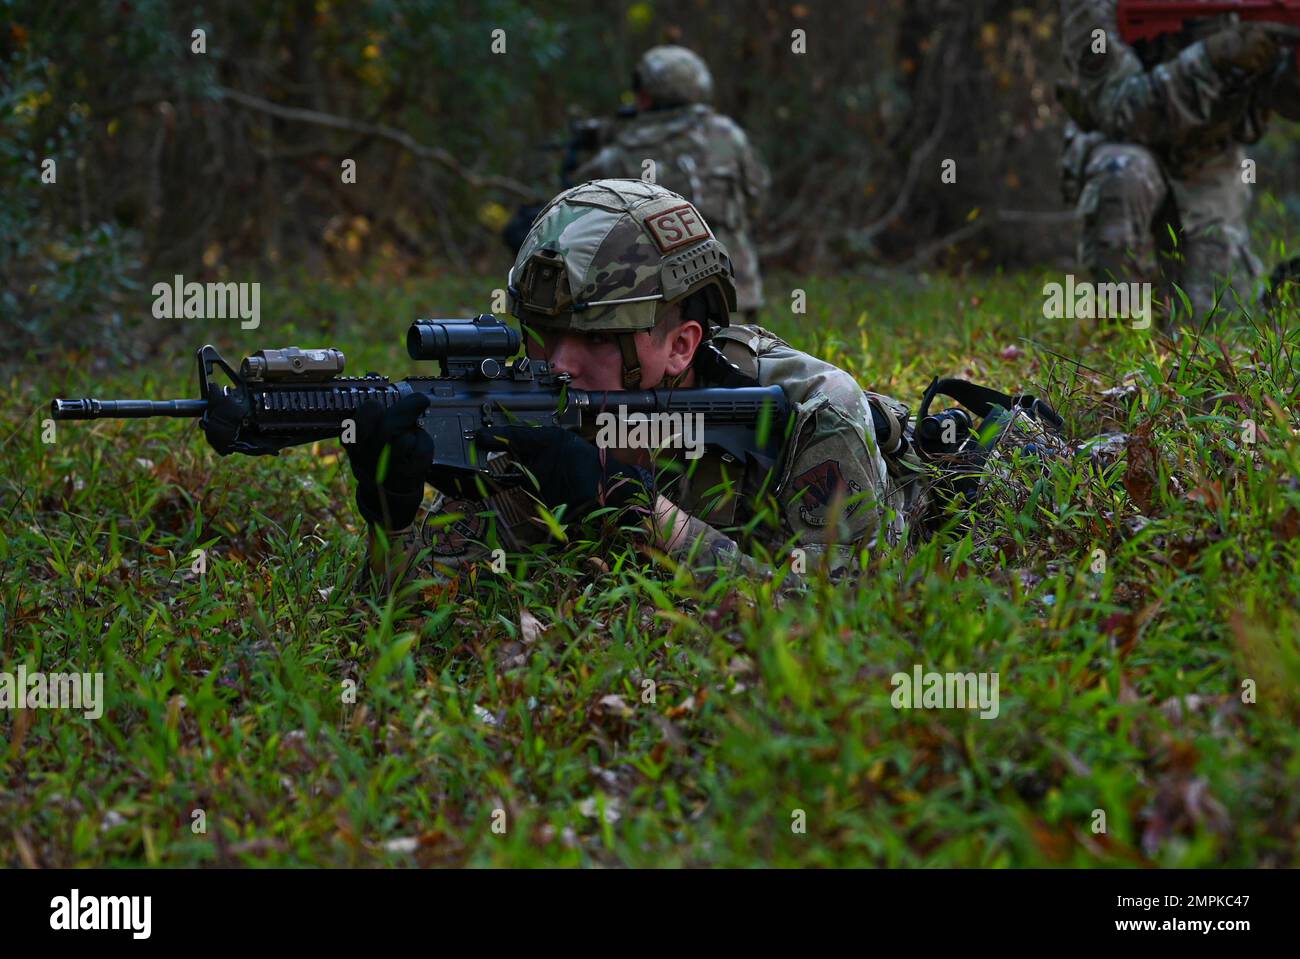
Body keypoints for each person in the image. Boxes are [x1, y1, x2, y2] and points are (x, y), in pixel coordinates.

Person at [344, 179, 919, 590]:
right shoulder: (527, 412)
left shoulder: (814, 411)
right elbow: (412, 599)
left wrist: (640, 512)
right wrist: (389, 516)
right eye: (542, 333)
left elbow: (842, 617)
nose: (559, 364)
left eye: (595, 340)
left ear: (680, 346)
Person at [1057, 0, 1300, 325]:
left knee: (1221, 327)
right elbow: (1121, 110)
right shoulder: (1095, 9)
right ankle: (1119, 327)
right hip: (1127, 149)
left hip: (1209, 165)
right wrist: (1212, 57)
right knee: (1122, 173)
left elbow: (1281, 97)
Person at [572, 46, 771, 321]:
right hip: (732, 289)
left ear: (644, 95)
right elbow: (756, 198)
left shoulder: (624, 148)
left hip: (653, 300)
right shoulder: (728, 135)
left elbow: (580, 217)